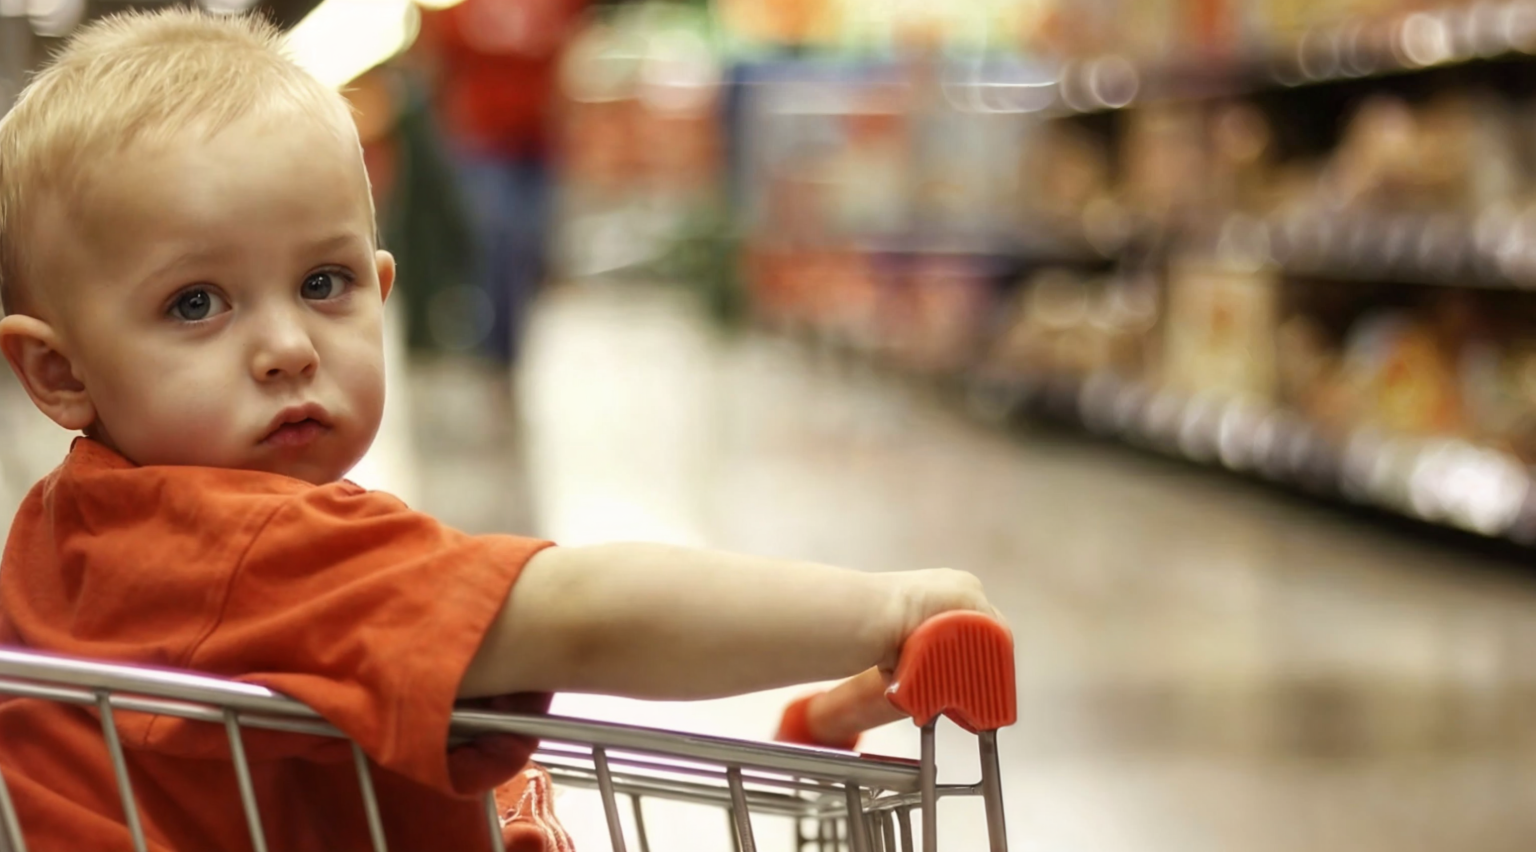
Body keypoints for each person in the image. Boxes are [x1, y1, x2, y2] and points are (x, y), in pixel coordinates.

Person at [0, 9, 1000, 852]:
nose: (286, 347)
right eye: (195, 304)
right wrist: (888, 608)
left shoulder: (73, 534)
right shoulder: (231, 547)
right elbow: (580, 613)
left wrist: (792, 744)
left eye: (323, 284)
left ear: (381, 290)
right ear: (57, 370)